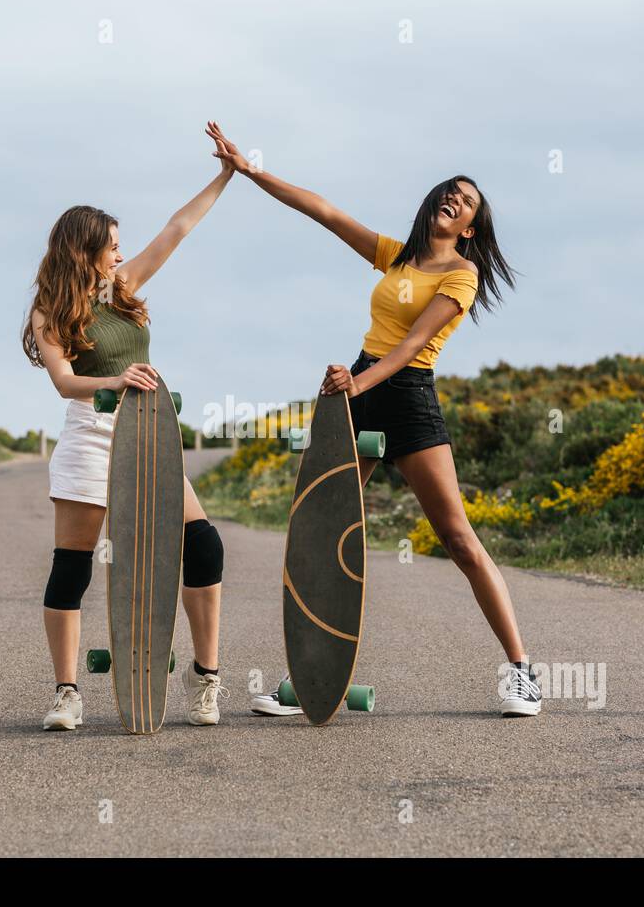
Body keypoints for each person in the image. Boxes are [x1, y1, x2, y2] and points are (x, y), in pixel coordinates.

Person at [206, 121, 540, 717]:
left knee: (459, 539)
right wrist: (251, 171)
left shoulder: (462, 274)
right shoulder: (398, 257)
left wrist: (355, 385)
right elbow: (325, 212)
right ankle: (307, 679)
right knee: (321, 532)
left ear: (470, 227)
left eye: (466, 201)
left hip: (406, 396)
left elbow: (412, 346)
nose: (453, 199)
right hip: (360, 384)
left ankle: (521, 672)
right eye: (450, 190)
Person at [23, 158, 232, 730]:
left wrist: (226, 176)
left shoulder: (124, 288)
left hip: (145, 436)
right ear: (83, 249)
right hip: (89, 438)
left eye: (119, 245)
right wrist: (113, 381)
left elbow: (177, 229)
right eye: (111, 245)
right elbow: (65, 381)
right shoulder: (51, 309)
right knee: (72, 569)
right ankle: (67, 693)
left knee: (204, 545)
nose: (120, 253)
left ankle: (205, 675)